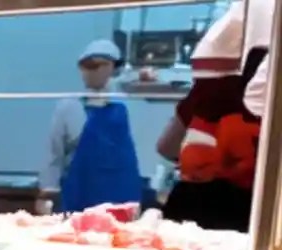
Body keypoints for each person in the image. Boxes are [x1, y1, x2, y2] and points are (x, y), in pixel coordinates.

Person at [157, 0, 270, 232]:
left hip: (192, 206)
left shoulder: (208, 89)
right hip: (249, 211)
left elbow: (166, 146)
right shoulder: (271, 93)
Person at [40, 39, 144, 212]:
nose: (91, 72)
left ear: (113, 68)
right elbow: (53, 153)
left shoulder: (131, 104)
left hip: (122, 196)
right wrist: (47, 192)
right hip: (80, 196)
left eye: (99, 66)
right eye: (86, 66)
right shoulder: (68, 106)